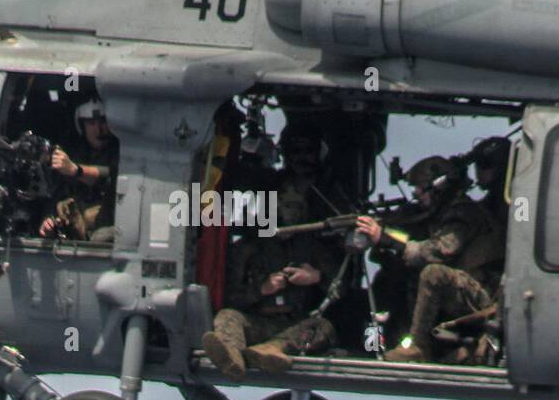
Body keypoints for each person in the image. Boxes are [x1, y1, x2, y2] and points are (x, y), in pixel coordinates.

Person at [200, 130, 340, 381]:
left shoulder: (313, 249)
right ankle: (231, 357)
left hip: (292, 325)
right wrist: (261, 290)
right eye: (282, 208)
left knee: (324, 327)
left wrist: (316, 277)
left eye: (294, 209)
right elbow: (229, 296)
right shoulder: (248, 248)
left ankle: (271, 352)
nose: (287, 216)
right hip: (257, 320)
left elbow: (340, 290)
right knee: (227, 317)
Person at [356, 154, 504, 363]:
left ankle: (418, 346)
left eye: (421, 188)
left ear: (440, 186)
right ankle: (385, 341)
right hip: (464, 289)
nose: (417, 194)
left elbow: (440, 250)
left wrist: (389, 240)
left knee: (433, 274)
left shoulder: (464, 212)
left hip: (482, 293)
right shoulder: (440, 213)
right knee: (403, 270)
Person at [39, 98, 120, 242]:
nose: (98, 129)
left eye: (103, 122)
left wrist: (76, 170)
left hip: (104, 229)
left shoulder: (120, 152)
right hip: (76, 230)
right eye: (91, 123)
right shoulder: (75, 153)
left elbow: (109, 175)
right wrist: (48, 220)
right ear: (82, 126)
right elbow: (57, 192)